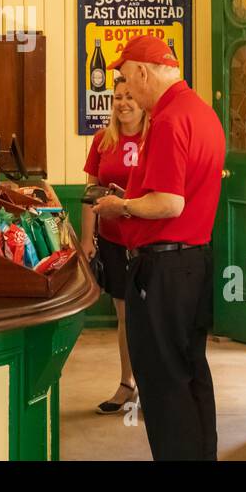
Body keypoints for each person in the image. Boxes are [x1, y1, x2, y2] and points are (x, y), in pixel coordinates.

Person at [93, 34, 226, 461]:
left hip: (164, 269)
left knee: (163, 382)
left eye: (128, 78)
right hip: (194, 262)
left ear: (145, 72)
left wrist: (120, 205)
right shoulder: (202, 112)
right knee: (191, 373)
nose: (127, 89)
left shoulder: (168, 120)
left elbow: (170, 202)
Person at [81, 74, 147, 414]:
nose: (123, 103)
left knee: (151, 317)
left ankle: (153, 388)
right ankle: (126, 384)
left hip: (149, 242)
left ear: (142, 102)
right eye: (118, 97)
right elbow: (90, 193)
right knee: (125, 316)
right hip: (112, 241)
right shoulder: (102, 140)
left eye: (130, 97)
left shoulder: (155, 139)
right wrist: (86, 240)